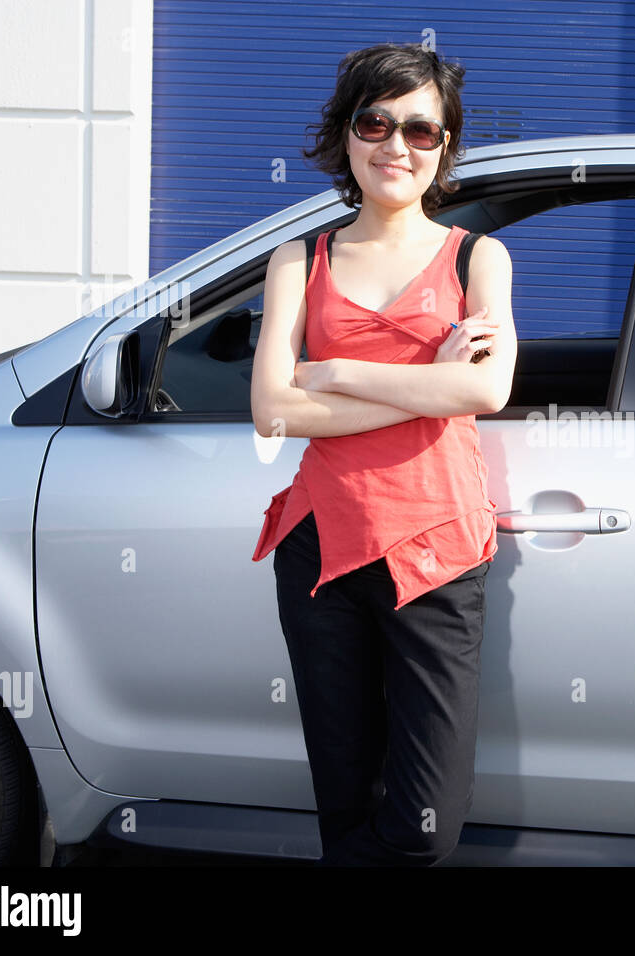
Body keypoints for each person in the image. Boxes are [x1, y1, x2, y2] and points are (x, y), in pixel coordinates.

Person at [248, 42, 517, 866]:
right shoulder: (300, 260)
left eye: (421, 130)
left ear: (444, 147)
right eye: (375, 122)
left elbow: (483, 392)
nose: (396, 146)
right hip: (321, 549)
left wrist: (336, 372)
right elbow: (271, 409)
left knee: (424, 823)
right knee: (345, 798)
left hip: (436, 553)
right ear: (345, 135)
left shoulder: (477, 258)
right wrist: (421, 379)